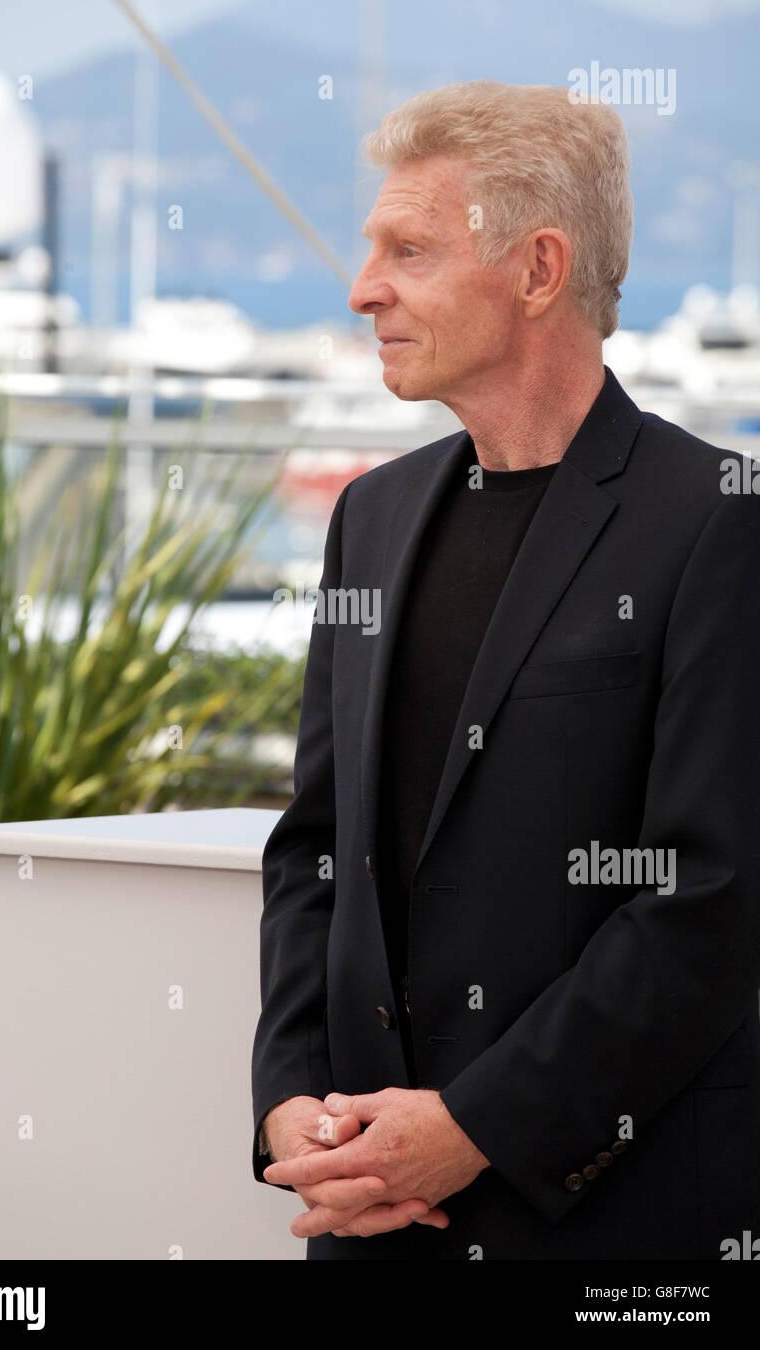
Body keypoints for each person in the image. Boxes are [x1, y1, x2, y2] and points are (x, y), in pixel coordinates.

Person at [250, 80, 760, 1260]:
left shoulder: (717, 520)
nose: (361, 286)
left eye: (407, 249)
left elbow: (710, 902)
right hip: (370, 1211)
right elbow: (314, 849)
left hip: (613, 1222)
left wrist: (477, 1125)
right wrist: (293, 1102)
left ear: (536, 272)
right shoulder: (369, 518)